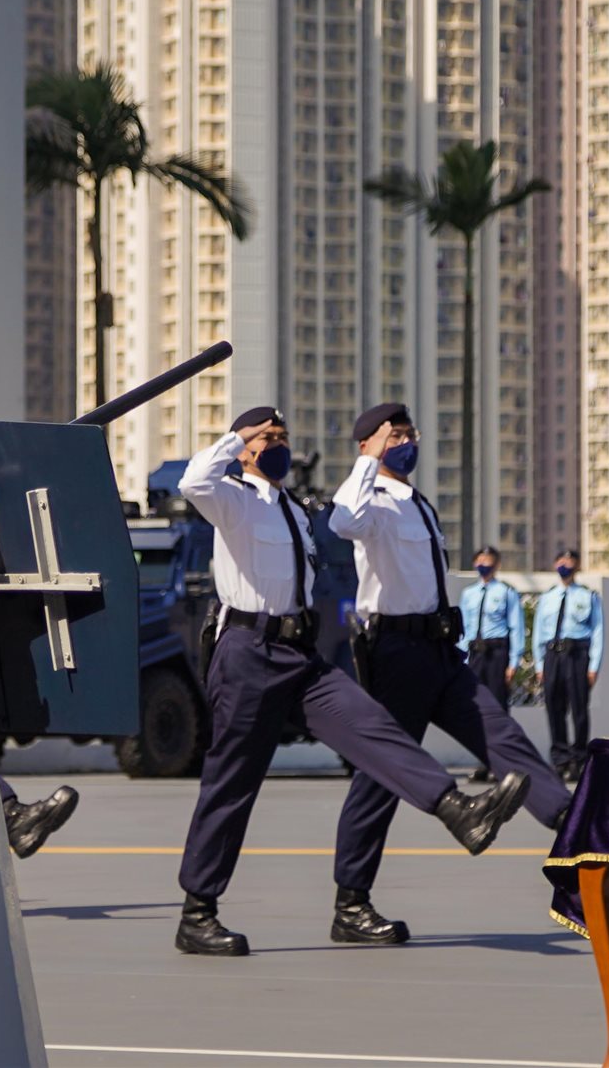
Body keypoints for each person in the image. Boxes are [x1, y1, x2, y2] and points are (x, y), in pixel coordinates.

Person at [171, 406, 528, 957]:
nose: (278, 445)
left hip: (297, 653)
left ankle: (454, 811)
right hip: (247, 652)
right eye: (267, 437)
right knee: (231, 784)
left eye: (282, 436)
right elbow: (193, 481)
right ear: (245, 449)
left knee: (373, 727)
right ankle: (198, 913)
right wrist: (237, 438)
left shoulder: (292, 508)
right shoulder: (232, 499)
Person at [328, 403, 571, 943]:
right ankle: (351, 904)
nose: (406, 442)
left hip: (439, 650)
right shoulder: (369, 501)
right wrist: (369, 460)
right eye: (394, 436)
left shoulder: (417, 502)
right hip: (394, 655)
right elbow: (341, 521)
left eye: (409, 433)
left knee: (502, 734)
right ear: (369, 445)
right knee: (381, 777)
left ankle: (574, 826)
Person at [533, 548, 604, 781]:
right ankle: (560, 758)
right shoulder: (548, 597)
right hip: (552, 655)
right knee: (554, 707)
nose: (565, 564)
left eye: (570, 560)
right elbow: (538, 632)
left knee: (579, 708)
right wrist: (539, 664)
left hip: (577, 655)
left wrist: (593, 666)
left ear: (577, 565)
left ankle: (579, 758)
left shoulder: (588, 596)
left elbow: (598, 631)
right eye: (561, 560)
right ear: (555, 564)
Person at [459, 546, 523, 778]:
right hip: (475, 653)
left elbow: (516, 627)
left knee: (497, 708)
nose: (484, 564)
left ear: (496, 565)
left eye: (488, 560)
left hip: (497, 652)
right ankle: (484, 761)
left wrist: (513, 662)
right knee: (477, 709)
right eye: (480, 559)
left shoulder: (506, 592)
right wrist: (462, 657)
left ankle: (501, 763)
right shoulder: (469, 594)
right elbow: (464, 628)